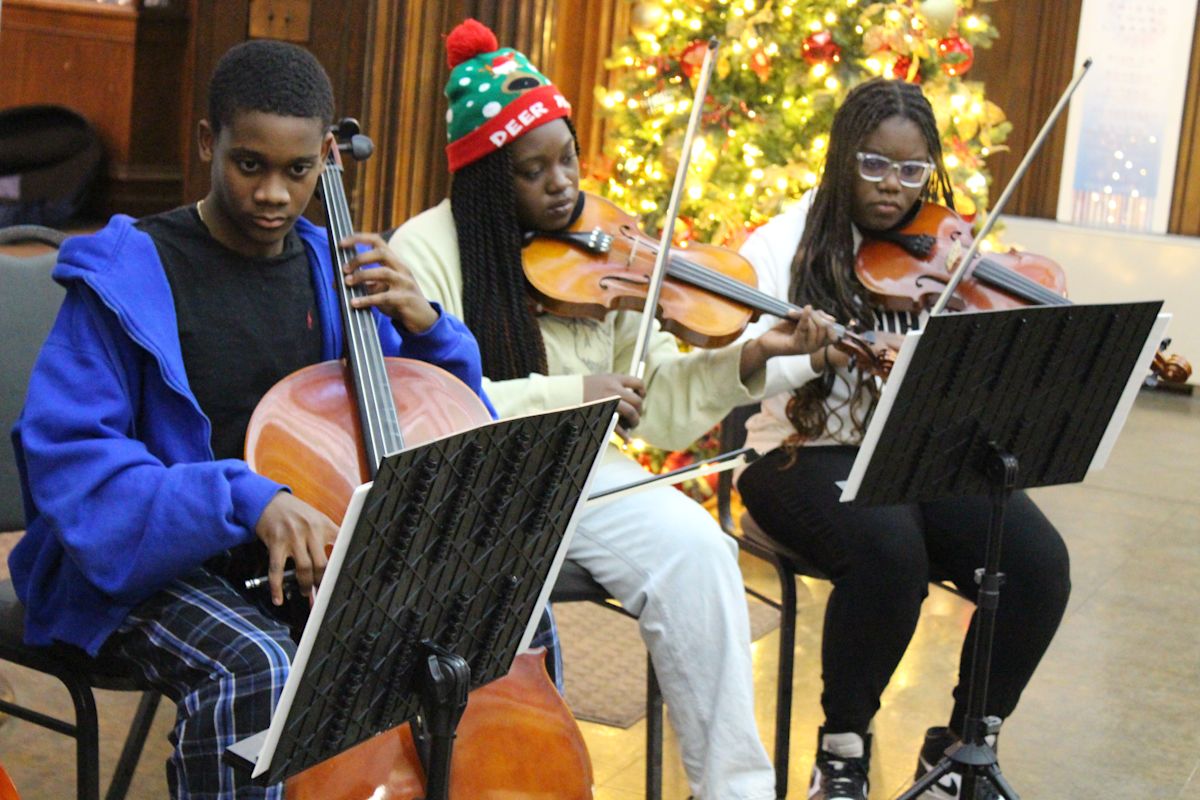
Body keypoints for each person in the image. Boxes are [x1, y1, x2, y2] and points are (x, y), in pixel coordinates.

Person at [8, 40, 493, 799]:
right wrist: (245, 498)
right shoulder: (129, 275)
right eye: (249, 164)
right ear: (209, 143)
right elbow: (71, 464)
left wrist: (430, 328)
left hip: (295, 559)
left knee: (491, 617)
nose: (274, 193)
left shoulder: (336, 273)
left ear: (325, 156)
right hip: (146, 560)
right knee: (258, 668)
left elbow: (444, 428)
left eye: (298, 171)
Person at [387, 19, 837, 800]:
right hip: (474, 483)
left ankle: (735, 790)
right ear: (491, 183)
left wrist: (753, 357)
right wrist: (571, 395)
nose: (563, 183)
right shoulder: (426, 250)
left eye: (567, 158)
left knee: (700, 550)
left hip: (587, 475)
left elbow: (656, 404)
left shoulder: (608, 246)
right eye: (533, 171)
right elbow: (430, 405)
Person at [734, 78, 1072, 800]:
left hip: (916, 453)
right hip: (798, 452)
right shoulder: (782, 244)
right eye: (875, 165)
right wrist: (807, 351)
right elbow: (733, 366)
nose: (893, 187)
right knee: (890, 550)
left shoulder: (946, 250)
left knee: (1039, 562)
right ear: (842, 159)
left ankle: (961, 750)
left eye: (912, 170)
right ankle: (844, 751)